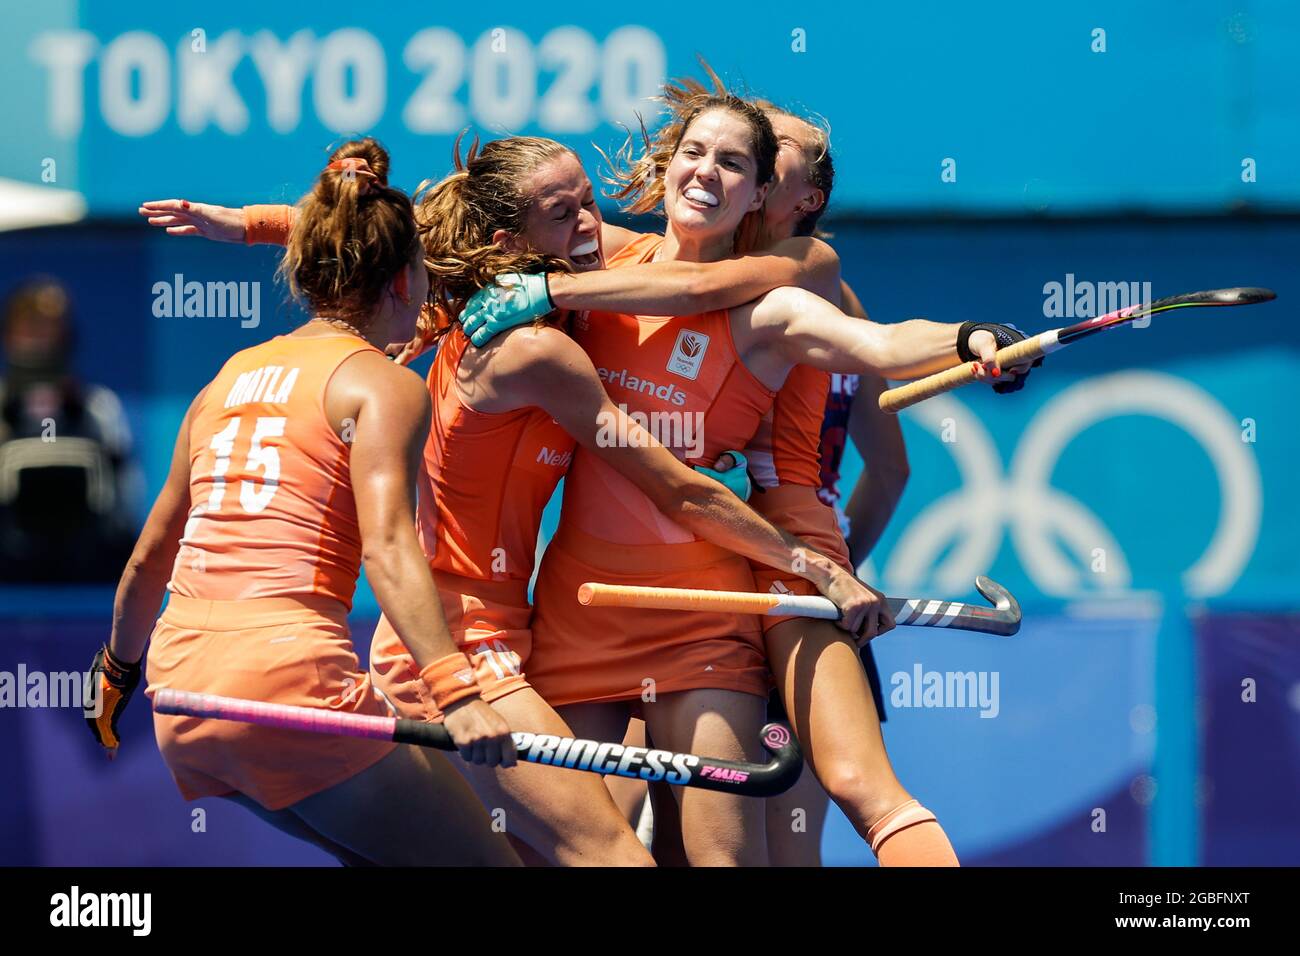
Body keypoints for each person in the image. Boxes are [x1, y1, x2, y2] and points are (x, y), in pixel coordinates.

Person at [137, 135, 881, 867]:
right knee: (613, 857)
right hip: (456, 644)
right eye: (565, 215)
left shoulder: (543, 304)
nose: (592, 227)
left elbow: (386, 231)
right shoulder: (532, 348)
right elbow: (676, 486)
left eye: (590, 202)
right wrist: (812, 566)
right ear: (510, 241)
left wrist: (259, 223)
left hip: (500, 630)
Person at [460, 83, 1037, 865]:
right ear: (670, 164)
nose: (706, 172)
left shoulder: (777, 300)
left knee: (733, 856)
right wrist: (273, 225)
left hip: (707, 610)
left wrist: (970, 336)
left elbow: (878, 345)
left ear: (764, 192)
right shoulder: (608, 262)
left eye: (734, 162)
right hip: (579, 607)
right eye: (695, 152)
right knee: (564, 853)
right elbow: (448, 233)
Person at [92, 139, 521, 867]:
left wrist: (115, 674)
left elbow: (149, 558)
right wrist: (459, 692)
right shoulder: (383, 387)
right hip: (289, 687)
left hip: (180, 693)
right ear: (404, 281)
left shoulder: (228, 376)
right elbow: (390, 549)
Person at [0, 278, 138, 581]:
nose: (40, 341)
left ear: (68, 338)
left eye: (50, 330)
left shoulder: (99, 407)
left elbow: (125, 503)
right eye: (29, 328)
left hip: (84, 575)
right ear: (9, 336)